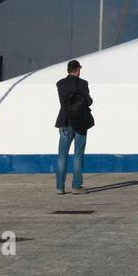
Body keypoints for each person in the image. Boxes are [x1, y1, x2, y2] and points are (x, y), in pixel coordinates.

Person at [54, 59, 92, 195]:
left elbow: (63, 103)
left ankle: (60, 187)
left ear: (68, 70)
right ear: (77, 70)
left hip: (65, 122)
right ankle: (76, 186)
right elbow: (89, 101)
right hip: (80, 123)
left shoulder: (60, 84)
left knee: (62, 156)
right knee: (77, 155)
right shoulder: (83, 83)